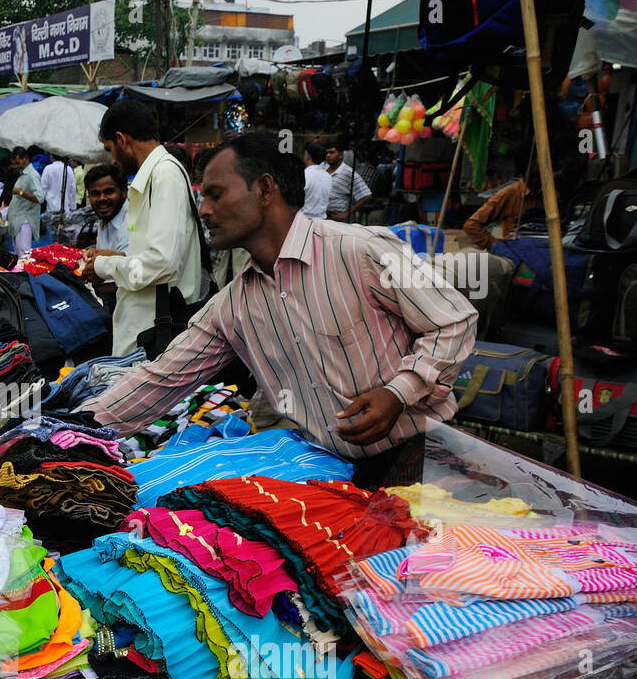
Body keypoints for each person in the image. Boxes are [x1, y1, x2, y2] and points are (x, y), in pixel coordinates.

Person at [85, 131, 478, 479]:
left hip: (424, 461)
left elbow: (452, 322)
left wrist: (398, 392)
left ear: (265, 189)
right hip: (331, 473)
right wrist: (71, 430)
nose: (203, 210)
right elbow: (162, 379)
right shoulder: (234, 305)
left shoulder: (361, 252)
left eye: (215, 194)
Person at [78, 100, 204, 356]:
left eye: (110, 149)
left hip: (155, 334)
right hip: (144, 331)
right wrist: (112, 257)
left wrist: (103, 267)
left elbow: (162, 263)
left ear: (123, 140)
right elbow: (151, 255)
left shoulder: (164, 175)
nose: (113, 159)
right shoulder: (154, 176)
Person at [462, 165, 542, 249]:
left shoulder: (545, 195)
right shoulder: (508, 194)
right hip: (517, 251)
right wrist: (495, 246)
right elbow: (471, 225)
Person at [6, 146, 43, 254]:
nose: (16, 166)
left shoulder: (32, 175)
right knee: (19, 254)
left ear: (25, 158)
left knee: (24, 254)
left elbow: (40, 198)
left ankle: (25, 272)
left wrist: (20, 192)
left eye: (18, 163)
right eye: (15, 164)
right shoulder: (23, 175)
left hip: (25, 221)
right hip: (18, 221)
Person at [87, 163, 129, 253]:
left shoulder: (131, 222)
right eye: (95, 193)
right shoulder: (104, 221)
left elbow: (126, 262)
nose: (102, 198)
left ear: (124, 192)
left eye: (109, 192)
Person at [325, 142, 372, 222]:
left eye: (332, 152)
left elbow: (366, 196)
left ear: (341, 155)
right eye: (327, 153)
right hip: (323, 217)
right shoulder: (323, 171)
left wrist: (347, 213)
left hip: (338, 219)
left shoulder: (348, 173)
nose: (328, 155)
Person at [302, 141, 332, 220]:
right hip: (321, 220)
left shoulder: (304, 175)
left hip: (305, 220)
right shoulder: (327, 176)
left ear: (308, 156)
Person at [41, 153, 77, 217]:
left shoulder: (48, 169)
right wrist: (73, 207)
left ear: (52, 156)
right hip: (66, 210)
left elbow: (43, 189)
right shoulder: (69, 169)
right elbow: (73, 190)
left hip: (51, 209)